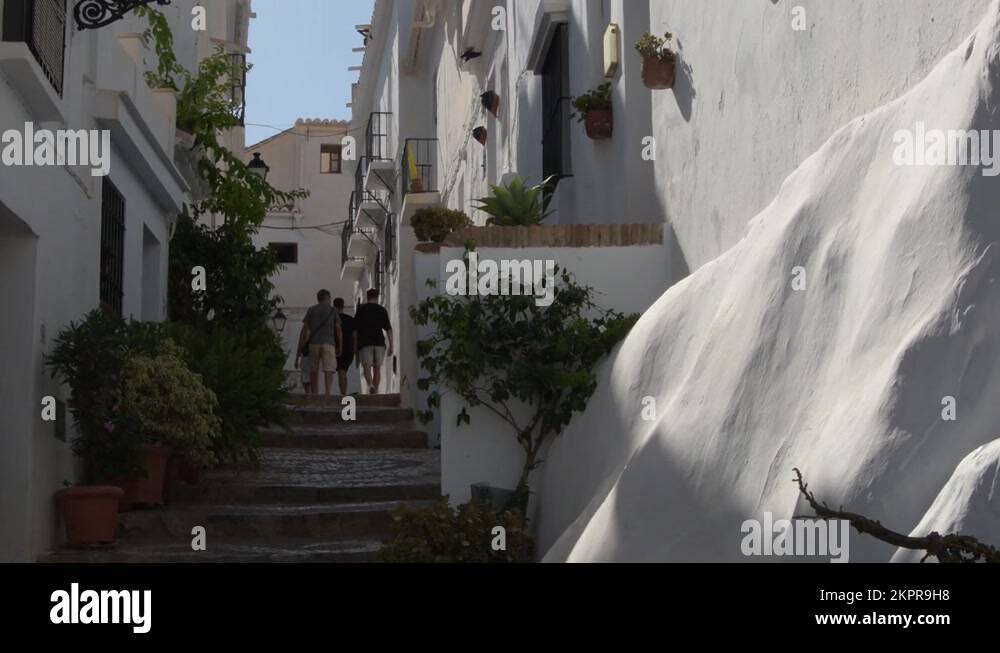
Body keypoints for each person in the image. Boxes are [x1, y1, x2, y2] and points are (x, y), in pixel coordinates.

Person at [296, 290, 342, 396]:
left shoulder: (311, 310)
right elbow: (338, 329)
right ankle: (327, 393)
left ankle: (315, 393)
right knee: (328, 369)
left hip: (314, 343)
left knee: (314, 369)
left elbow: (305, 329)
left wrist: (301, 347)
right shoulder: (333, 310)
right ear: (327, 298)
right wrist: (340, 345)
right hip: (329, 343)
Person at [355, 288, 393, 395]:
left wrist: (355, 346)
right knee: (377, 368)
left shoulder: (361, 309)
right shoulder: (382, 310)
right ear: (377, 297)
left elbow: (355, 329)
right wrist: (391, 345)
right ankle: (375, 391)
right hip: (379, 343)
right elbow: (388, 329)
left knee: (366, 367)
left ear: (367, 297)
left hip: (365, 343)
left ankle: (370, 385)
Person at [334, 297, 357, 396]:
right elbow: (355, 335)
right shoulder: (350, 319)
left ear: (334, 306)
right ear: (343, 306)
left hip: (337, 348)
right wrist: (355, 348)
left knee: (341, 371)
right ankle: (344, 392)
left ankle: (343, 394)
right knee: (343, 371)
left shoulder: (333, 320)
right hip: (349, 348)